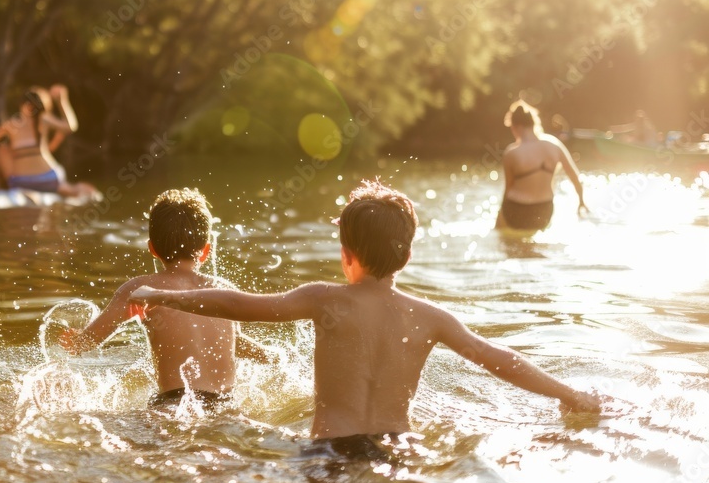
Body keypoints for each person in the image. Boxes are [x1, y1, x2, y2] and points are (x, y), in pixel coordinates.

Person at [131, 180, 604, 457]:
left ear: (346, 253)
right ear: (409, 253)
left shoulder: (325, 300)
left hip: (330, 455)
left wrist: (160, 294)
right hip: (400, 451)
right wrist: (569, 393)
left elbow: (234, 305)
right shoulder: (430, 316)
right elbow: (497, 356)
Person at [59, 188, 273, 411]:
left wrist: (74, 340)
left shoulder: (140, 290)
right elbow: (235, 343)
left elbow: (90, 340)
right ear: (205, 251)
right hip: (225, 405)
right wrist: (272, 357)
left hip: (174, 404)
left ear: (152, 248)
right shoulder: (223, 290)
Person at [0, 85, 95, 198]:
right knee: (2, 149)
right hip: (34, 180)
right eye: (27, 103)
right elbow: (71, 127)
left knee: (2, 148)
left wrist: (62, 102)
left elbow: (70, 127)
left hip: (35, 180)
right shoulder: (23, 123)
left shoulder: (34, 121)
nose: (29, 107)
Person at [496, 100, 586, 231]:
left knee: (506, 240)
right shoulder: (554, 145)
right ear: (533, 123)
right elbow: (574, 177)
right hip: (544, 211)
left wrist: (500, 216)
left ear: (517, 127)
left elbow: (508, 188)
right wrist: (581, 202)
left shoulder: (511, 153)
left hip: (516, 211)